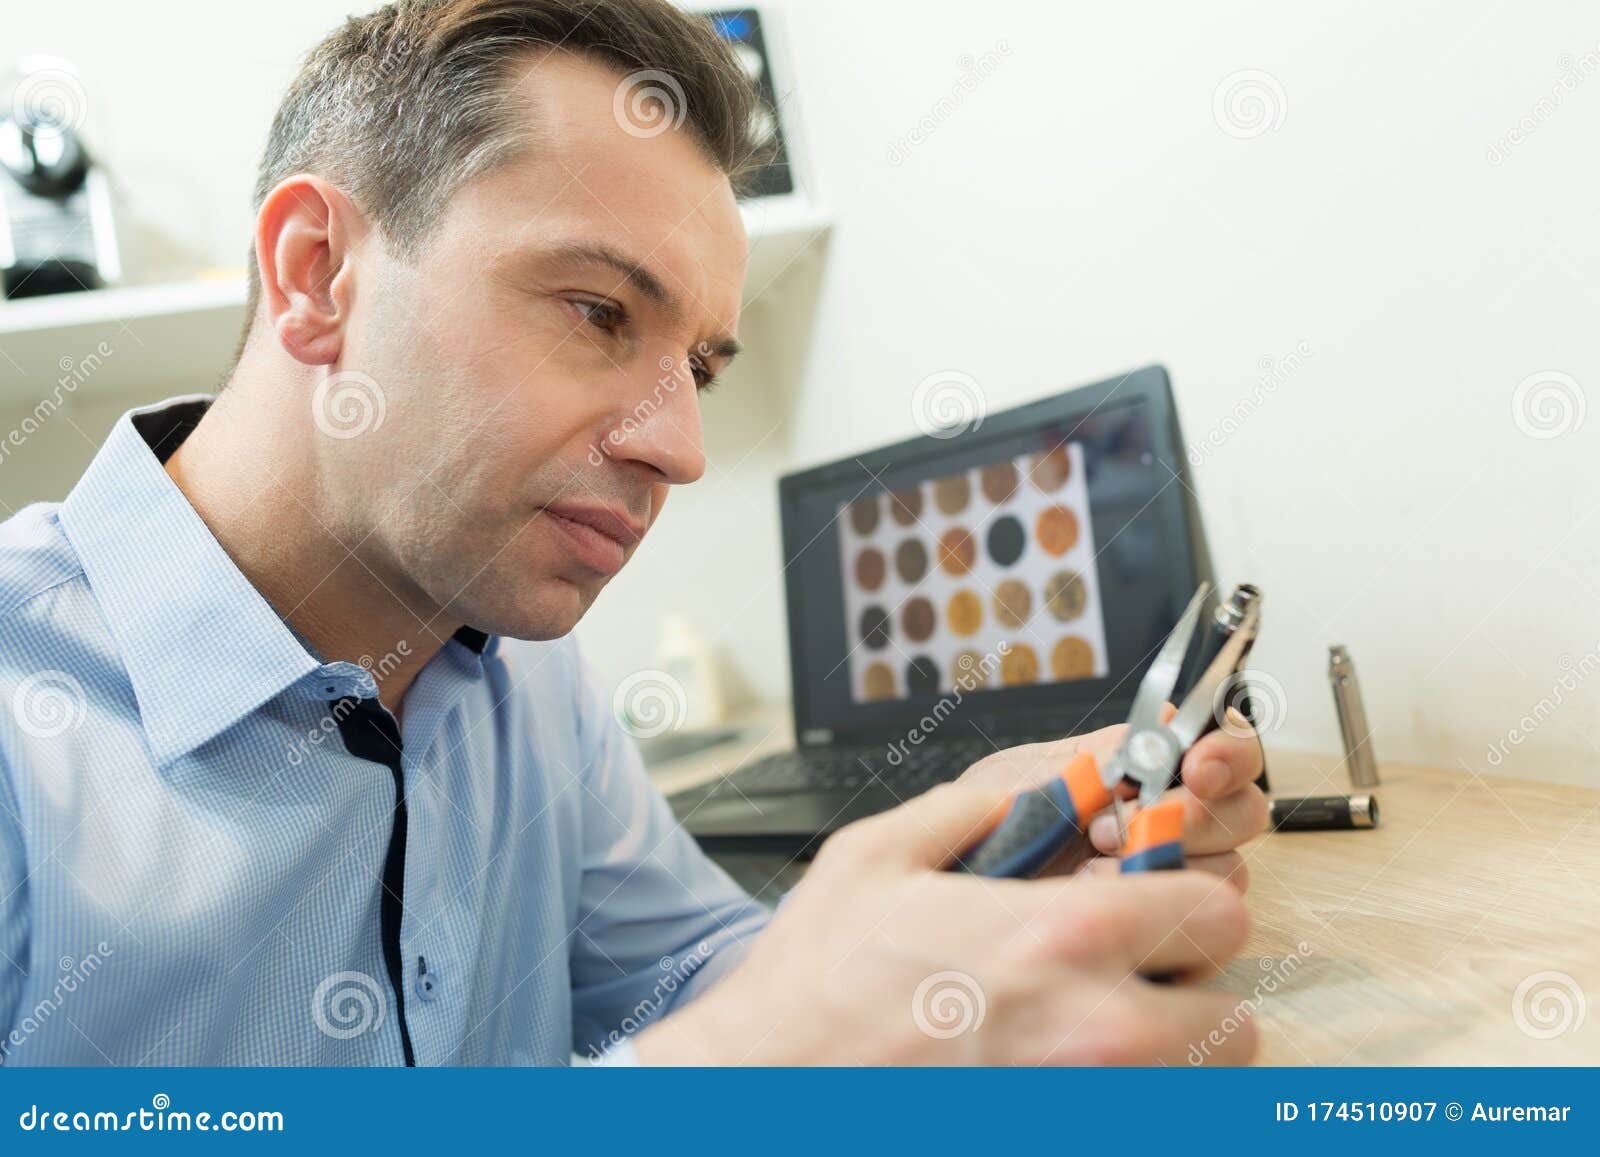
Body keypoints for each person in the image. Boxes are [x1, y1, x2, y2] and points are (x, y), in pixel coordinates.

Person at [0, 0, 1267, 1067]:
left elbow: (694, 976)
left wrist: (966, 888)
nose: (680, 447)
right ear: (318, 273)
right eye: (601, 311)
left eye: (701, 370)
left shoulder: (521, 672)